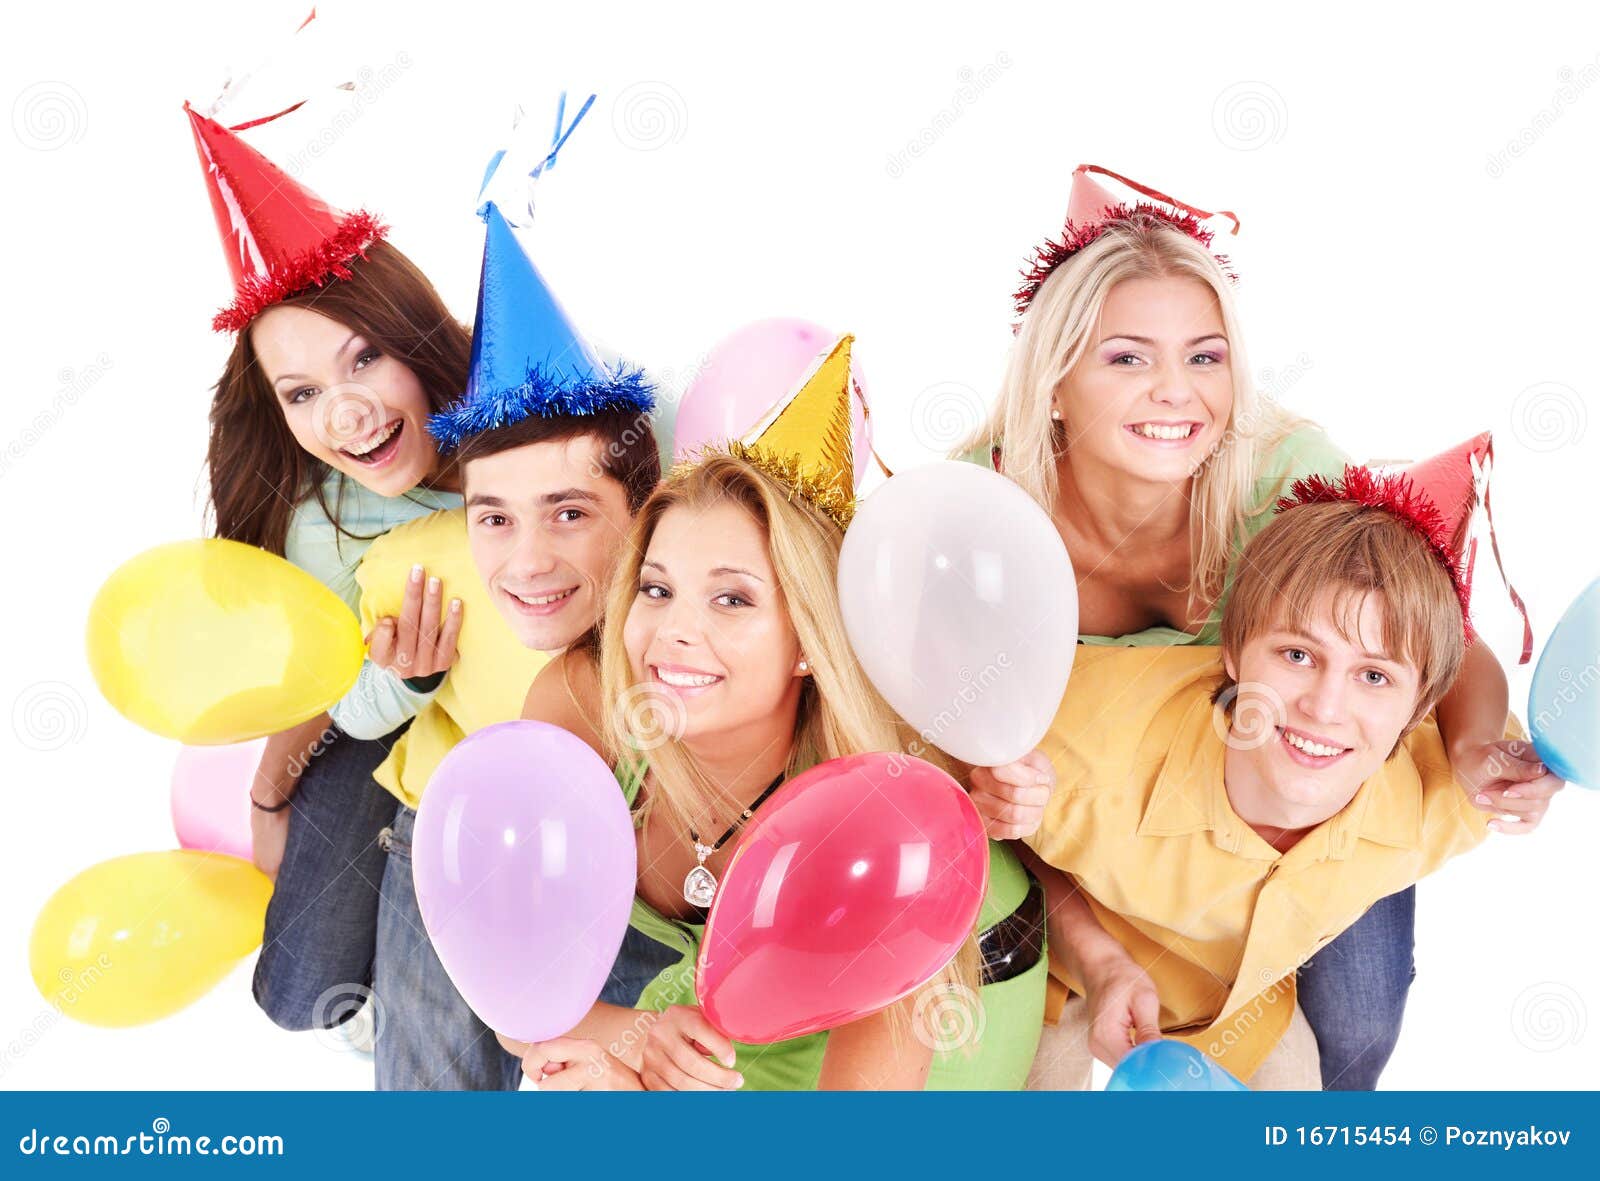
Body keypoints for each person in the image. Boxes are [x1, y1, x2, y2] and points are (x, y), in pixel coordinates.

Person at [958, 164, 1557, 1087]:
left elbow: (1437, 638)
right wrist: (995, 794)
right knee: (1046, 1031)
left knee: (1355, 1021)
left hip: (1295, 781)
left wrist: (1474, 745)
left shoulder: (1284, 476)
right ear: (1053, 381)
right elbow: (947, 733)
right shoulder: (981, 523)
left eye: (1206, 356)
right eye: (1128, 357)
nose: (1178, 393)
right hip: (1095, 801)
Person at [509, 338, 1052, 1090]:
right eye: (657, 589)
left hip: (956, 983)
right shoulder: (577, 706)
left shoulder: (878, 827)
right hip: (737, 995)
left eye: (732, 598)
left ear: (807, 642)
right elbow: (517, 992)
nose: (674, 632)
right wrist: (634, 1045)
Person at [1020, 465, 1565, 1088]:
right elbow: (970, 802)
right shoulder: (1081, 742)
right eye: (1297, 656)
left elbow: (1458, 651)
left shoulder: (1454, 796)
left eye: (1374, 676)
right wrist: (1096, 957)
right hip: (1057, 975)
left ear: (1419, 710)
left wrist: (1482, 749)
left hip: (1237, 1009)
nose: (1324, 709)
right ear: (1233, 652)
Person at [188, 100, 470, 1039]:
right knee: (299, 987)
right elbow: (338, 703)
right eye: (304, 393)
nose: (345, 416)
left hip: (530, 725)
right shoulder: (323, 518)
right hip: (379, 718)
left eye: (367, 360)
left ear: (414, 333)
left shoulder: (518, 442)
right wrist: (401, 681)